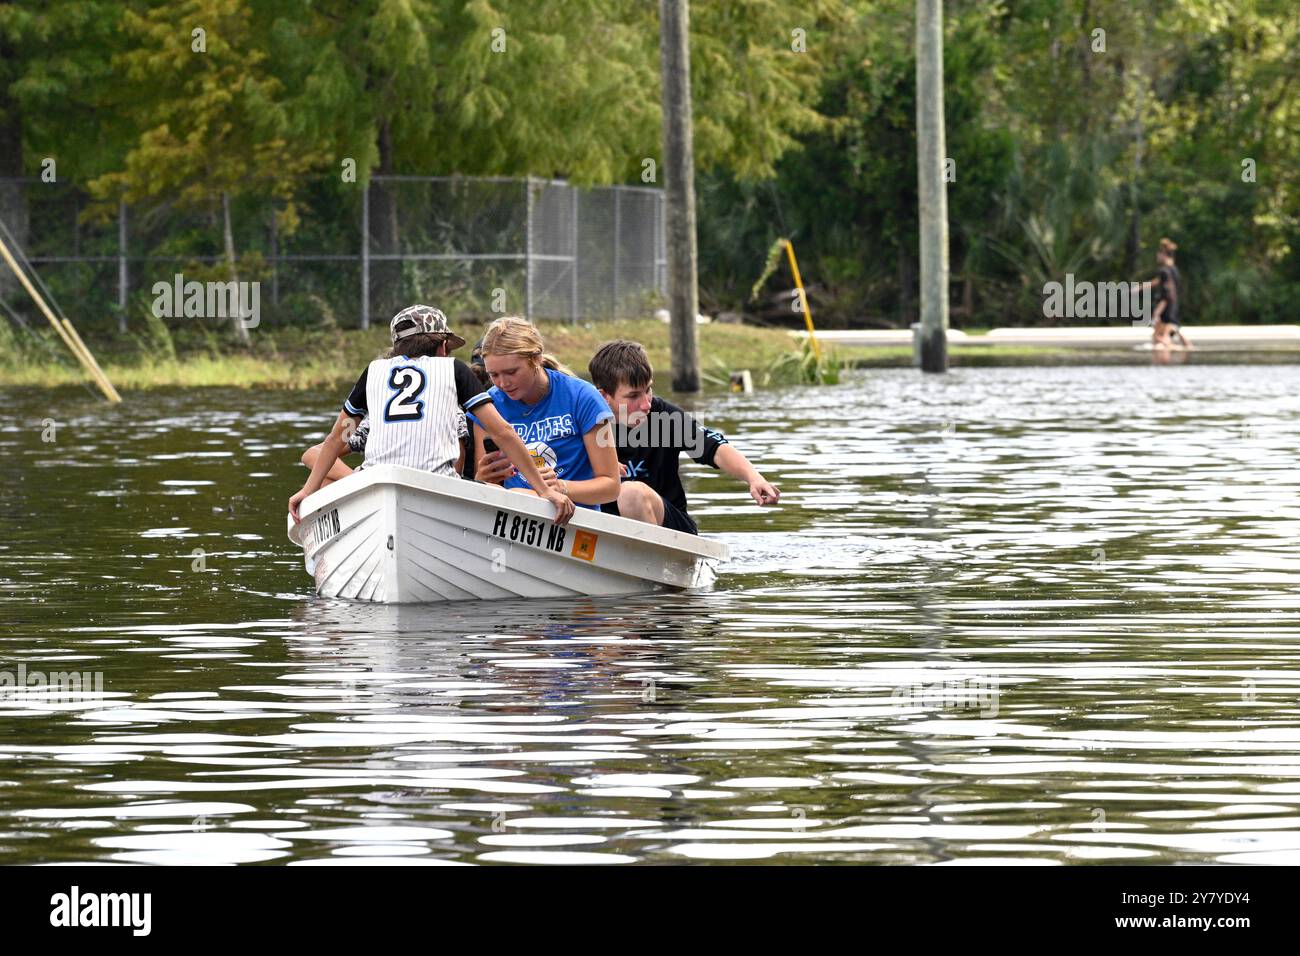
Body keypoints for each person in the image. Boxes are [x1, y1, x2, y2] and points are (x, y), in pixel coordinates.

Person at [289, 305, 574, 525]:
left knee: (327, 484)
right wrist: (544, 490)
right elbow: (503, 432)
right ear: (443, 346)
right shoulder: (454, 369)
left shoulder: (373, 370)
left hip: (374, 486)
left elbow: (336, 438)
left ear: (396, 348)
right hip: (436, 487)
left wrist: (306, 490)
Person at [587, 339, 779, 534]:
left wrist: (754, 478)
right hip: (606, 527)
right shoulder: (582, 421)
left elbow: (714, 448)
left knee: (631, 492)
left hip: (674, 529)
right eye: (633, 396)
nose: (646, 405)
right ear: (604, 396)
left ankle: (651, 560)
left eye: (648, 390)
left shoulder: (665, 417)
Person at [471, 316, 620, 509]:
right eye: (494, 375)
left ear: (536, 359)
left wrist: (561, 487)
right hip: (513, 514)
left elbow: (611, 487)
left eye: (511, 372)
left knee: (519, 494)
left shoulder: (584, 397)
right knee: (516, 494)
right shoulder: (488, 405)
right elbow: (489, 486)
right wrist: (481, 479)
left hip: (574, 519)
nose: (502, 383)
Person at [1150, 238, 1191, 350]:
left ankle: (1170, 351)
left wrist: (1157, 311)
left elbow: (1167, 294)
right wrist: (1140, 287)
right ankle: (1187, 350)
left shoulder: (1164, 271)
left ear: (1164, 254)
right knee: (1174, 331)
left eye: (1158, 255)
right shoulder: (1173, 270)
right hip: (1173, 306)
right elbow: (1160, 284)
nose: (1157, 257)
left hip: (1167, 307)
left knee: (1160, 337)